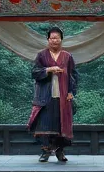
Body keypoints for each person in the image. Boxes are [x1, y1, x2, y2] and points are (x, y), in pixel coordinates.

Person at [28, 26, 77, 162]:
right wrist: (49, 69)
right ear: (48, 40)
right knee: (45, 124)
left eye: (57, 38)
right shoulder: (42, 55)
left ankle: (60, 151)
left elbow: (73, 75)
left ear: (61, 39)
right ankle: (45, 151)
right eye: (52, 38)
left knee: (61, 125)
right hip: (45, 96)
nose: (54, 40)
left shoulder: (67, 56)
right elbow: (34, 72)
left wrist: (71, 92)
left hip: (62, 96)